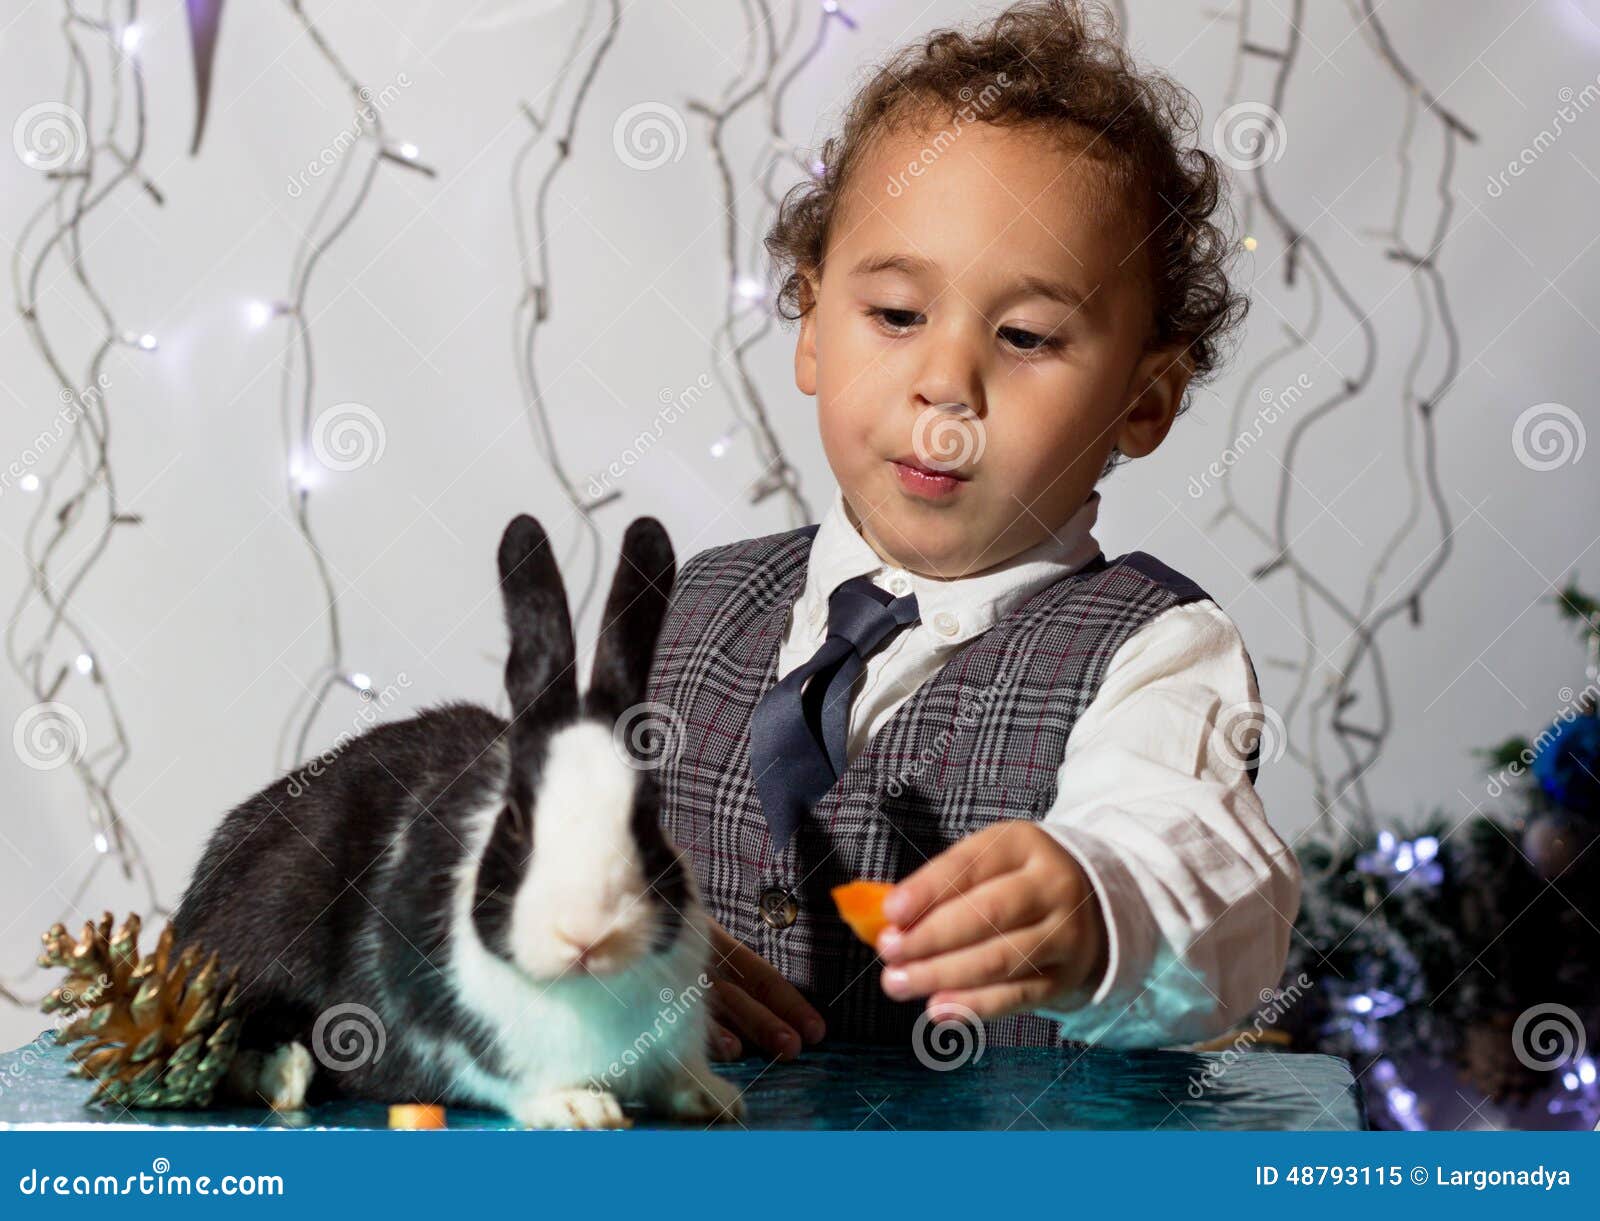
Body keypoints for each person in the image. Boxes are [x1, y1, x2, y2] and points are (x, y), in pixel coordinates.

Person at [647, 0, 1301, 1060]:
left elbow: (1212, 877)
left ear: (1145, 399)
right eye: (896, 316)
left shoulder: (1151, 652)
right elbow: (537, 849)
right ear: (811, 324)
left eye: (1026, 335)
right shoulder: (687, 607)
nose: (945, 385)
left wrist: (1100, 909)